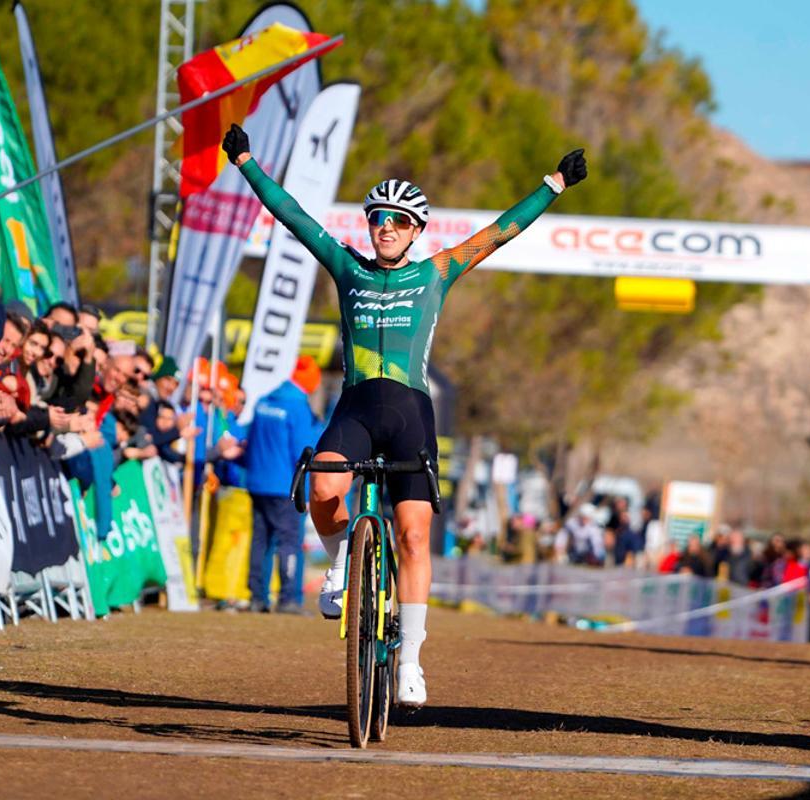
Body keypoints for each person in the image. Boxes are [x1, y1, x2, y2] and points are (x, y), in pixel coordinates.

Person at [223, 121, 588, 706]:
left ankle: (410, 664)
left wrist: (552, 185)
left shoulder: (436, 271)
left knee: (414, 537)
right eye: (376, 218)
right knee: (321, 485)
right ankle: (343, 563)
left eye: (397, 220)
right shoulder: (348, 268)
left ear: (416, 231)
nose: (384, 227)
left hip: (412, 413)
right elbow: (291, 215)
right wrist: (246, 163)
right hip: (357, 404)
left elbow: (498, 233)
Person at [221, 357, 322, 614]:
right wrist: (307, 491)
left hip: (257, 482)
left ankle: (258, 596)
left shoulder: (265, 401)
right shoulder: (298, 408)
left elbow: (249, 439)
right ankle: (288, 598)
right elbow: (304, 453)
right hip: (285, 486)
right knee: (289, 541)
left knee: (261, 540)